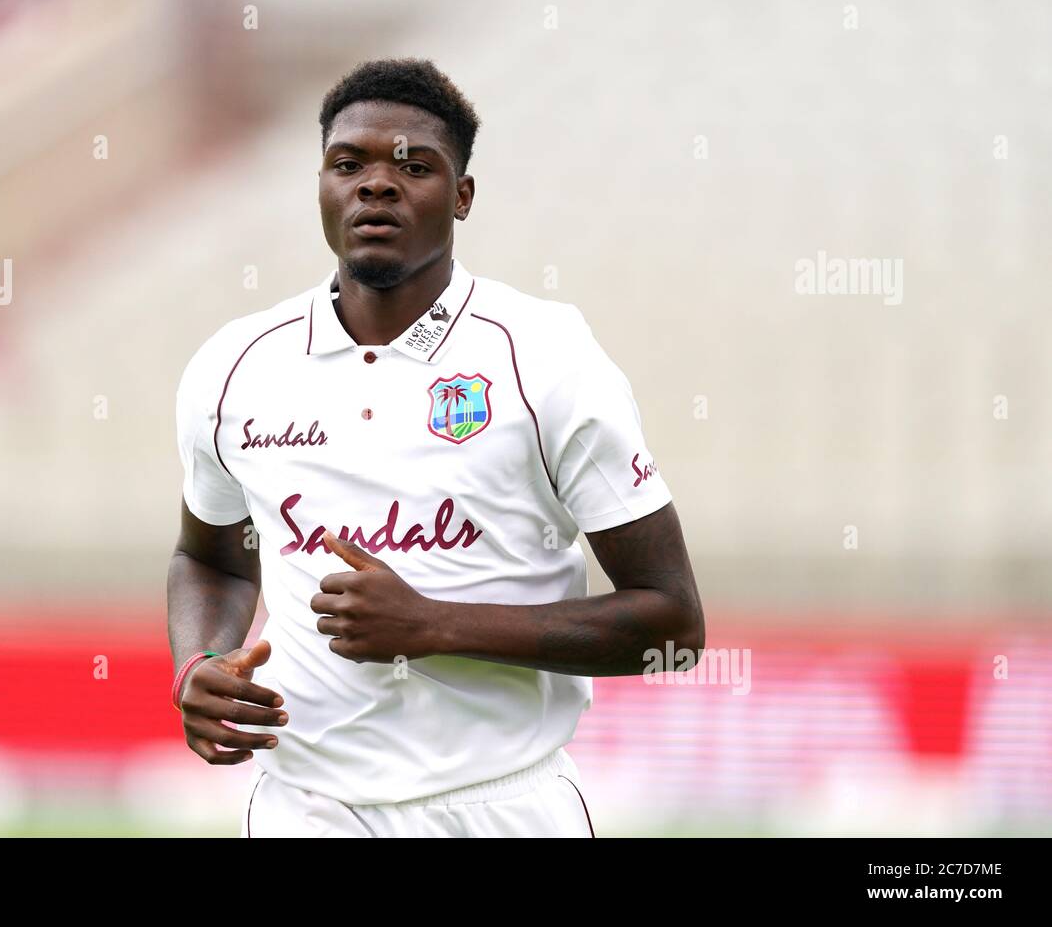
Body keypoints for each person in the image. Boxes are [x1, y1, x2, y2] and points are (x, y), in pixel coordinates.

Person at [167, 57, 704, 837]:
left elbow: (673, 626)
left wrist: (432, 625)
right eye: (348, 163)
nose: (376, 184)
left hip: (504, 805)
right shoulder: (235, 365)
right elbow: (210, 558)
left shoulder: (545, 357)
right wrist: (201, 663)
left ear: (462, 197)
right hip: (304, 810)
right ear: (320, 185)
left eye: (413, 166)